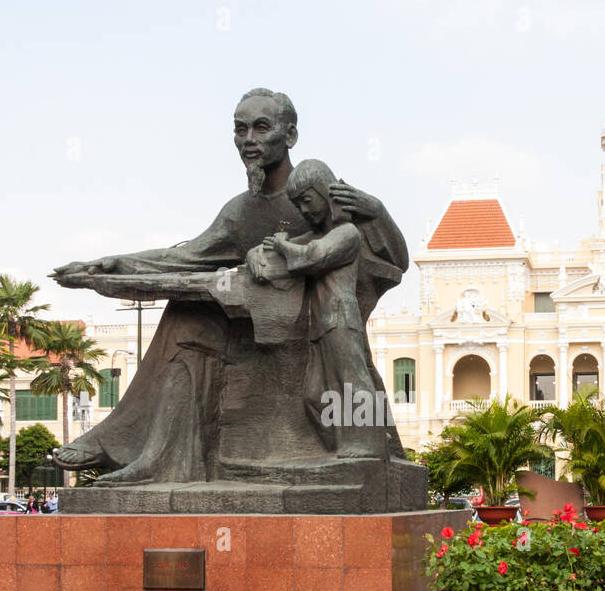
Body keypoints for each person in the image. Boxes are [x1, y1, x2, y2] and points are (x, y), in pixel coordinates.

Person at [50, 89, 409, 483]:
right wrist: (115, 265)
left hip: (313, 332)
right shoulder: (240, 210)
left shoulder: (323, 192)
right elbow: (188, 256)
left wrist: (377, 213)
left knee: (327, 388)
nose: (249, 140)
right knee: (187, 315)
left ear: (290, 135)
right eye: (241, 129)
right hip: (253, 325)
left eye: (261, 128)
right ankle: (155, 456)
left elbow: (392, 259)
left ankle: (358, 446)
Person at [260, 159, 387, 459]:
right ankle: (343, 443)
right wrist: (265, 252)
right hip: (321, 323)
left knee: (352, 380)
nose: (304, 211)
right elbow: (297, 249)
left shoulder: (347, 233)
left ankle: (370, 443)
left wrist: (283, 246)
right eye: (298, 205)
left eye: (307, 200)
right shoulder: (318, 235)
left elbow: (312, 257)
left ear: (324, 193)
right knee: (313, 394)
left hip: (341, 318)